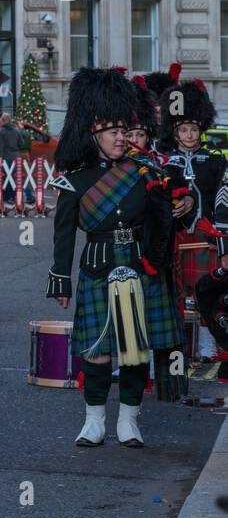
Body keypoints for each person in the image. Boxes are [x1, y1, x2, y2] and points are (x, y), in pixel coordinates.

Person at [47, 67, 179, 447]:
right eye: (113, 132)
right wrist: (61, 279)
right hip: (98, 265)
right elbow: (64, 233)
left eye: (125, 131)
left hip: (140, 265)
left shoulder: (146, 172)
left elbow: (162, 219)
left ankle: (130, 420)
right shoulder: (76, 179)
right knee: (97, 350)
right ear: (94, 134)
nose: (122, 138)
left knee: (136, 351)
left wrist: (178, 205)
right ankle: (93, 421)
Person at [158, 79, 225, 363]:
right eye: (183, 129)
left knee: (205, 293)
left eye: (193, 129)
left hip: (206, 235)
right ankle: (179, 349)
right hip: (176, 235)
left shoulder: (215, 159)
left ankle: (209, 347)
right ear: (175, 132)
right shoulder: (164, 161)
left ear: (201, 130)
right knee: (175, 295)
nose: (188, 134)